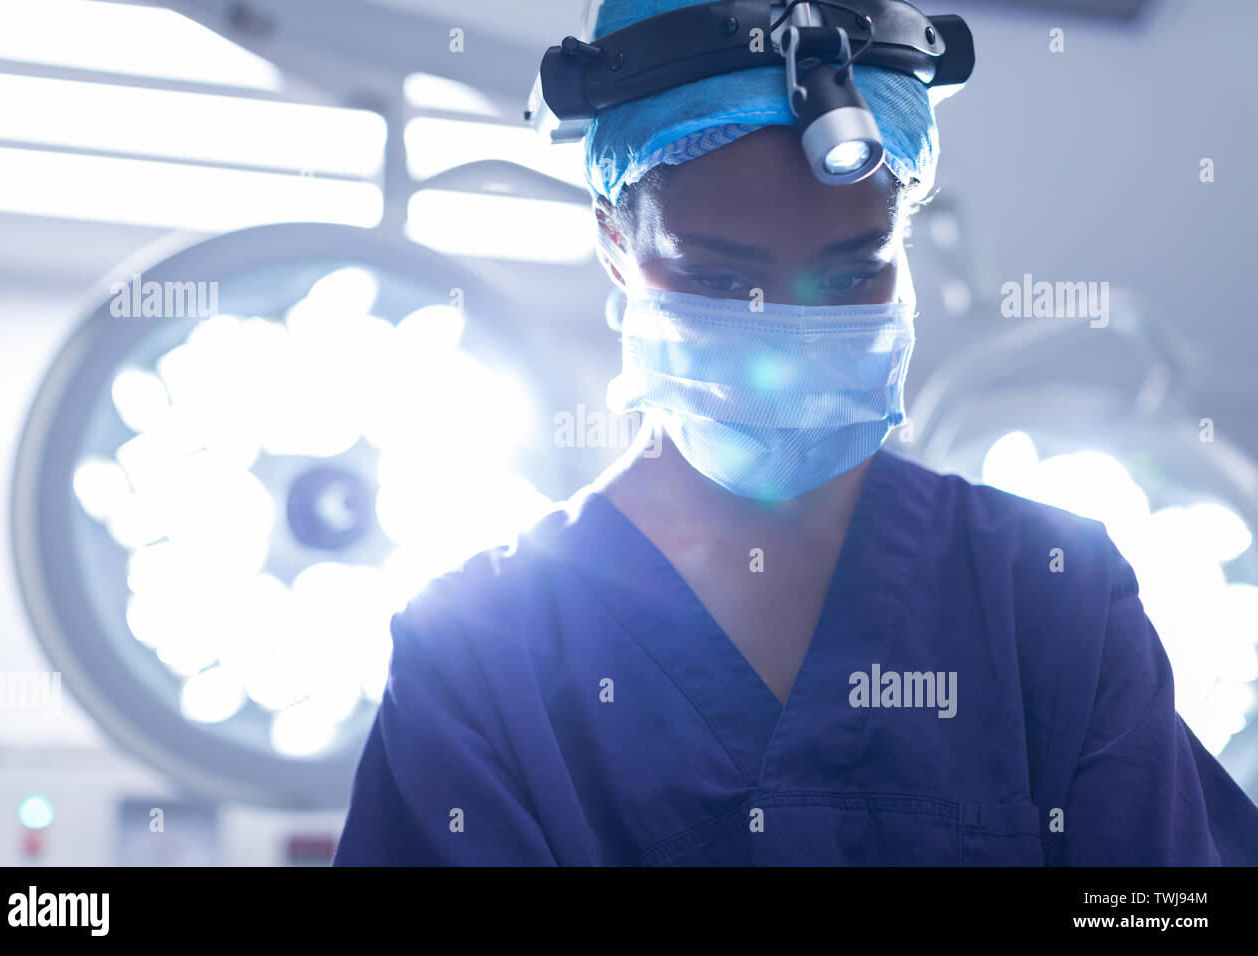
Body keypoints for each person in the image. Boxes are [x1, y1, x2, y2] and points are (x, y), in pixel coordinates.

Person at [333, 0, 1258, 865]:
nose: (784, 352)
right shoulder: (478, 659)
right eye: (724, 283)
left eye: (850, 276)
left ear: (904, 244)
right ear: (616, 240)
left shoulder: (1049, 599)